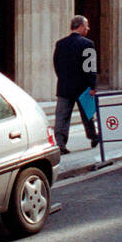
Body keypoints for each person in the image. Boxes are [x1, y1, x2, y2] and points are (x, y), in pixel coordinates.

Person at [52, 15, 99, 152]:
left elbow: (56, 65)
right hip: (83, 86)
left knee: (62, 117)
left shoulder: (60, 44)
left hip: (64, 86)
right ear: (81, 26)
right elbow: (90, 68)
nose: (88, 28)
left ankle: (60, 143)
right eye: (87, 26)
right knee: (88, 115)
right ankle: (93, 137)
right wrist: (92, 86)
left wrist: (63, 78)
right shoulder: (88, 44)